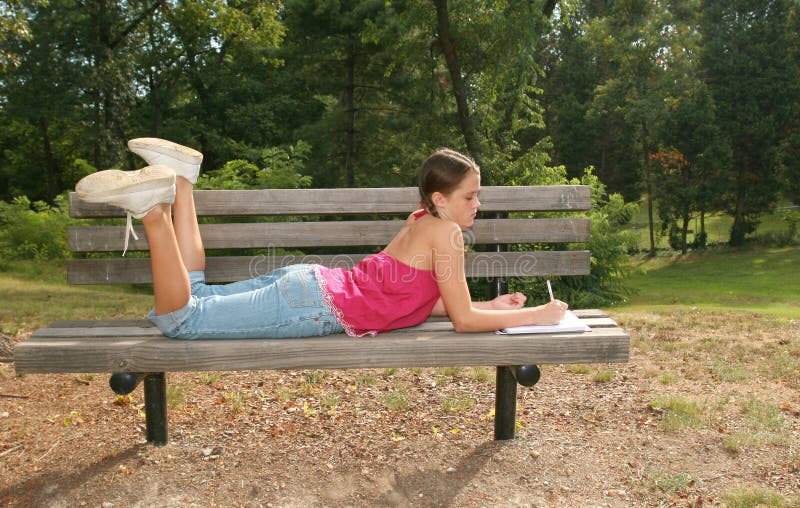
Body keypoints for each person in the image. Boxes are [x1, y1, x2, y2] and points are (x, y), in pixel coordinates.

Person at [75, 138, 568, 339]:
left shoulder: (422, 223)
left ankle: (182, 180)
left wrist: (496, 306)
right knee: (181, 319)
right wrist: (538, 315)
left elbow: (417, 302)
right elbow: (462, 321)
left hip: (309, 285)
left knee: (195, 293)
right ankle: (152, 213)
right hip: (313, 306)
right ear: (440, 199)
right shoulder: (447, 235)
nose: (476, 205)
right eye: (469, 197)